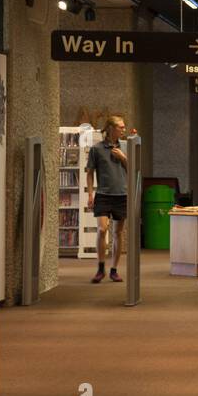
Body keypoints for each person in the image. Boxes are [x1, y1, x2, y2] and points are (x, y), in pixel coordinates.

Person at [86, 115, 130, 284]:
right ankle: (100, 267)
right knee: (102, 230)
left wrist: (123, 158)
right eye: (121, 127)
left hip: (122, 195)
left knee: (118, 233)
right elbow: (89, 173)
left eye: (124, 127)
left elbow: (134, 170)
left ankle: (114, 270)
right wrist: (90, 194)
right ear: (111, 128)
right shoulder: (96, 149)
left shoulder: (126, 146)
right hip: (103, 195)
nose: (123, 130)